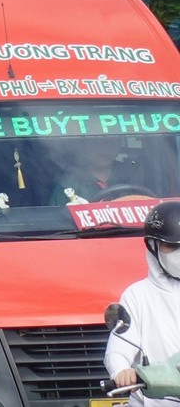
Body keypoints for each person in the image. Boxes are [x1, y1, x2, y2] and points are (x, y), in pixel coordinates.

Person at [104, 201, 180, 407]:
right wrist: (122, 371)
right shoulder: (137, 295)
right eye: (172, 246)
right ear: (153, 246)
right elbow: (118, 349)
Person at [50, 137, 140, 204]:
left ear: (119, 146)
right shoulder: (67, 186)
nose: (104, 149)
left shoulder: (133, 176)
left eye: (110, 143)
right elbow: (57, 219)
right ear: (83, 147)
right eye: (97, 143)